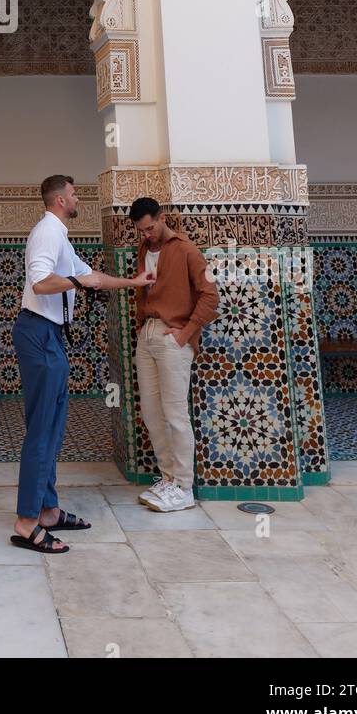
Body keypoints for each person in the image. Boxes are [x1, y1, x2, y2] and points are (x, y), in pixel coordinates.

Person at [10, 174, 154, 554]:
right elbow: (41, 282)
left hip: (50, 336)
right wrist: (75, 281)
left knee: (53, 429)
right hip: (38, 334)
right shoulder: (47, 232)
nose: (78, 200)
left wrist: (133, 282)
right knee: (41, 431)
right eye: (74, 195)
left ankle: (48, 510)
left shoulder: (61, 235)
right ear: (60, 200)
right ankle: (26, 521)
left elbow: (91, 278)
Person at [128, 196, 219, 513]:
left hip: (173, 339)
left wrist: (185, 333)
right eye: (142, 231)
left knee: (176, 415)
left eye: (151, 228)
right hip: (148, 335)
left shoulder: (186, 250)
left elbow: (210, 296)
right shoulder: (144, 250)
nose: (147, 235)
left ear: (161, 217)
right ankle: (168, 480)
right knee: (152, 414)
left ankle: (184, 486)